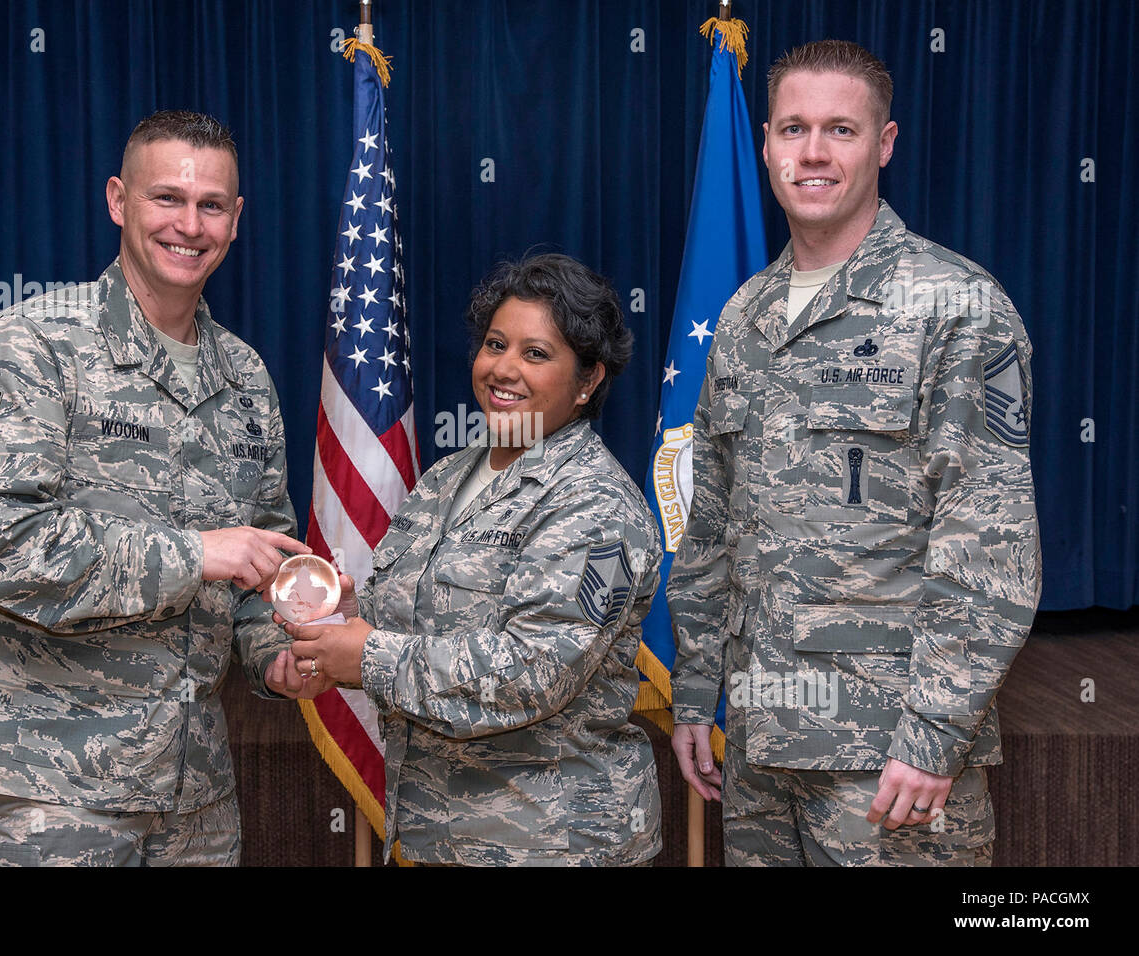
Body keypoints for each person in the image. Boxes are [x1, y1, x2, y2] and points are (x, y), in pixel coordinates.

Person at [667, 40, 1041, 866]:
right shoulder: (743, 316)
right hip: (761, 742)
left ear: (886, 143)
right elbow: (712, 527)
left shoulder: (956, 306)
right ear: (764, 142)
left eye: (841, 129)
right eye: (793, 129)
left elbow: (991, 543)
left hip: (888, 758)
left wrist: (935, 732)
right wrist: (696, 690)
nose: (812, 152)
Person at [0, 110, 323, 866]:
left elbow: (259, 567)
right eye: (165, 198)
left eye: (211, 205)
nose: (189, 224)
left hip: (195, 798)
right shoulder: (28, 348)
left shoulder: (244, 379)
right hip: (45, 788)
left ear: (236, 221)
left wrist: (279, 653)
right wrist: (195, 553)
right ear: (118, 200)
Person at [284, 254, 663, 865]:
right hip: (441, 835)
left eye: (536, 354)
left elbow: (533, 672)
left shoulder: (598, 506)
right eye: (494, 344)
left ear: (588, 379)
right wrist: (348, 612)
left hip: (550, 843)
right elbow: (427, 613)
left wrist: (368, 655)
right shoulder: (450, 475)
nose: (504, 369)